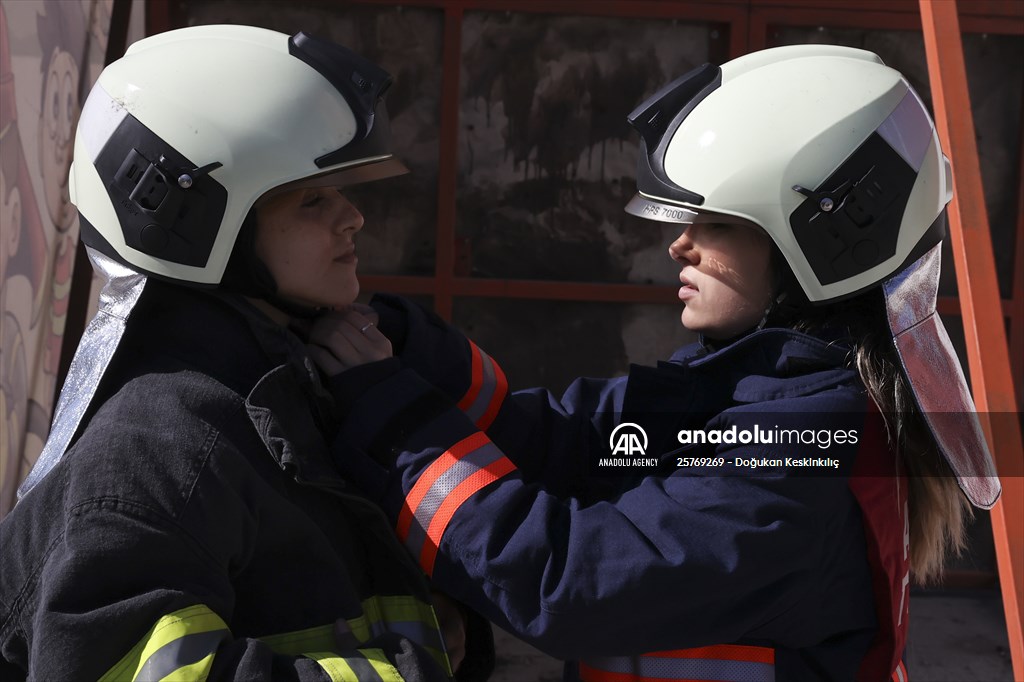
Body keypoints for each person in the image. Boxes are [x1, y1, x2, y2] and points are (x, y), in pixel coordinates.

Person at [305, 45, 1001, 681]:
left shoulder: (804, 445)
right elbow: (568, 442)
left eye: (716, 224)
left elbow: (572, 584)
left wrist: (397, 432)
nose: (680, 245)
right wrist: (403, 345)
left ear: (823, 243)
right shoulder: (755, 390)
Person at [0, 24, 492, 681]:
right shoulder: (159, 449)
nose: (353, 217)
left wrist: (441, 618)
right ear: (197, 223)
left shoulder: (295, 389)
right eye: (314, 199)